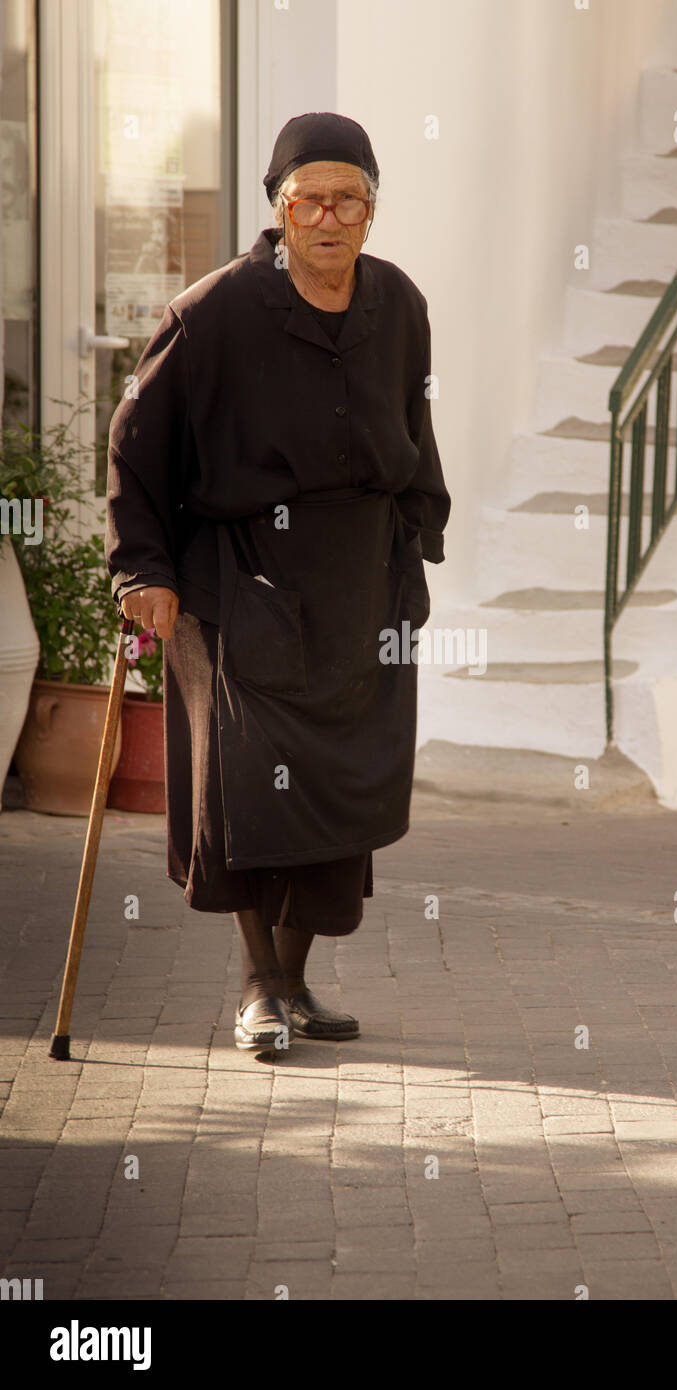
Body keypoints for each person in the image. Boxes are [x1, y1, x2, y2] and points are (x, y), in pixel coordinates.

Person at [104, 112, 449, 1055]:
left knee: (346, 789)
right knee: (250, 790)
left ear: (372, 213)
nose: (330, 217)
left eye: (350, 199)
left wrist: (420, 534)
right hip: (239, 580)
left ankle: (295, 984)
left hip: (360, 584)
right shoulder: (210, 314)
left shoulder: (401, 306)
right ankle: (259, 986)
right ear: (279, 208)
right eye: (310, 199)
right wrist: (142, 568)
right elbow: (133, 448)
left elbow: (417, 426)